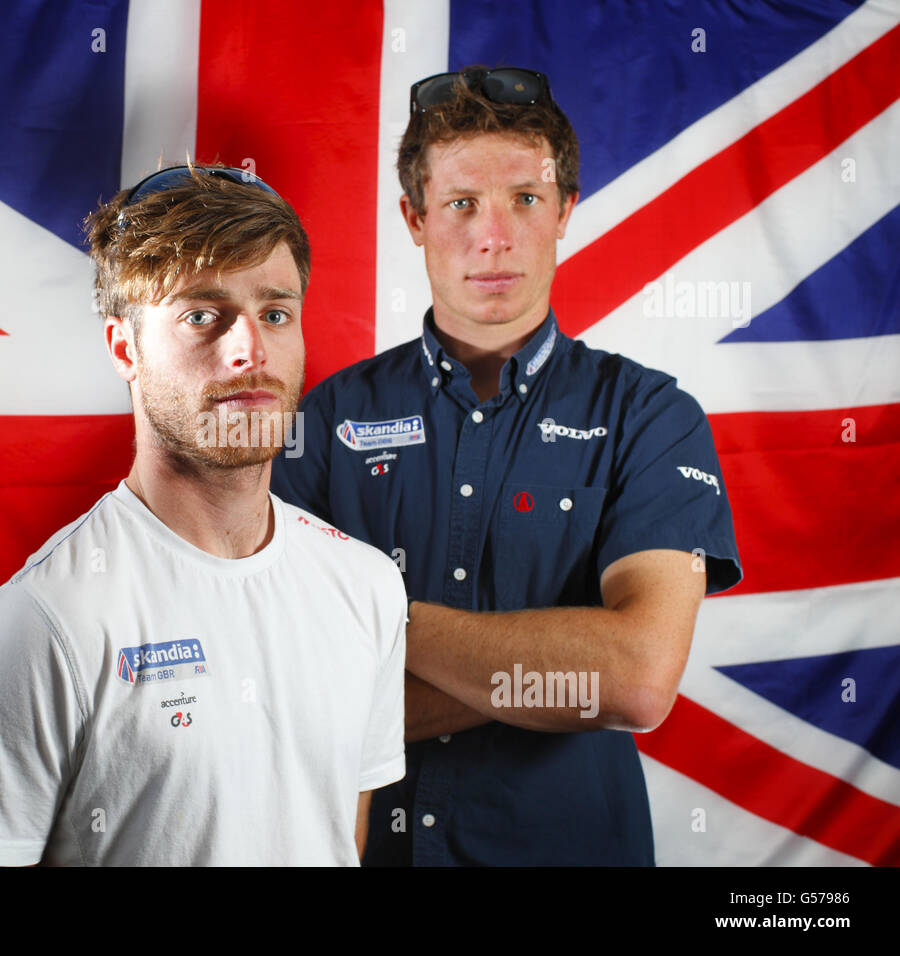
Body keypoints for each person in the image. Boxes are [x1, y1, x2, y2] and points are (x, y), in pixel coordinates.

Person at [271, 67, 742, 865]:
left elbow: (632, 680)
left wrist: (378, 620)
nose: (494, 236)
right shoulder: (327, 417)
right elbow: (283, 686)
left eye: (525, 198)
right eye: (460, 204)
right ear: (414, 218)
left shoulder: (653, 418)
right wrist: (540, 675)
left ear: (565, 211)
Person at [0, 165, 406, 866]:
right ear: (123, 347)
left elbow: (334, 839)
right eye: (203, 314)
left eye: (275, 313)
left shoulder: (367, 587)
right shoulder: (43, 622)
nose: (249, 351)